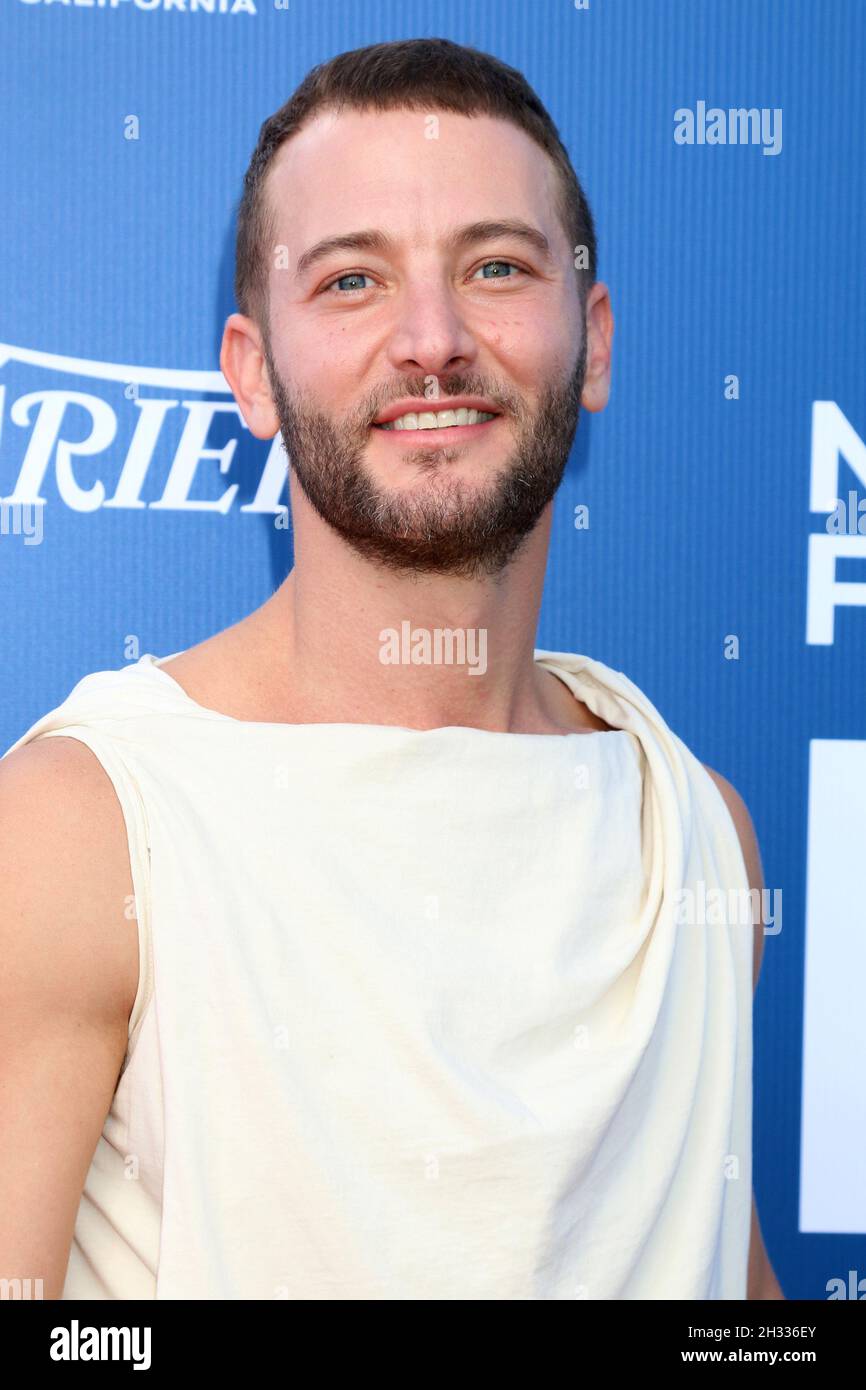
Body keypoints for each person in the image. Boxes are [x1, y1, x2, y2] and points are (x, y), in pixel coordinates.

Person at [0, 37, 783, 1300]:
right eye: (353, 280)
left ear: (591, 341)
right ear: (251, 375)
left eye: (493, 266)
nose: (431, 339)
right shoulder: (78, 834)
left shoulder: (698, 834)